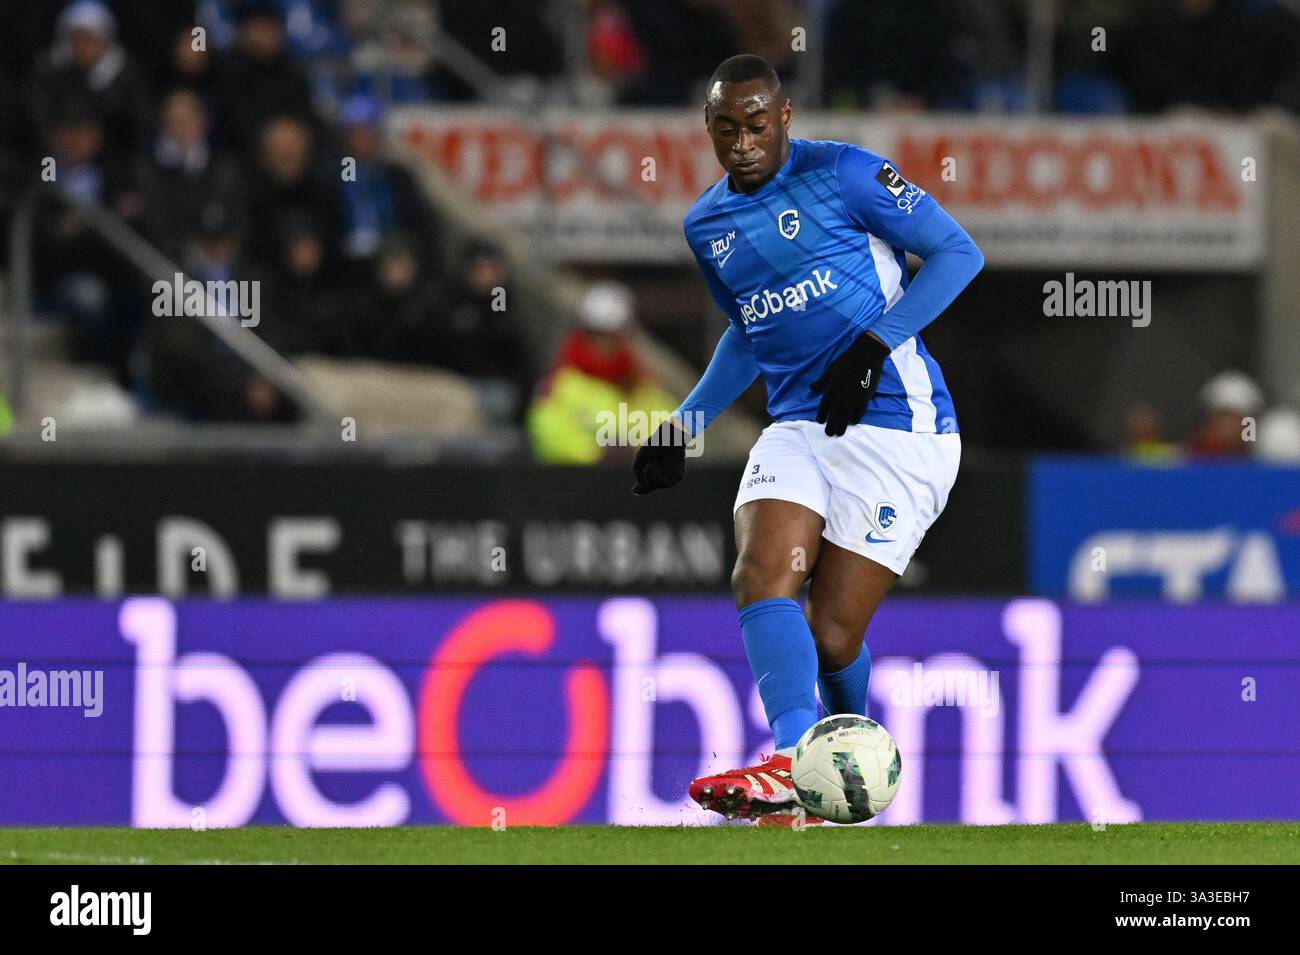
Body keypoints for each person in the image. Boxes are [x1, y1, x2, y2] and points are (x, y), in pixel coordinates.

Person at [631, 55, 983, 825]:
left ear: (785, 117)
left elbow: (960, 253)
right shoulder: (706, 224)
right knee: (761, 572)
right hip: (796, 425)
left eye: (758, 125)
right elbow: (748, 331)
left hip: (901, 425)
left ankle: (844, 766)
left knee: (830, 636)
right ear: (709, 130)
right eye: (727, 128)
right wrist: (682, 424)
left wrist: (874, 345)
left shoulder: (848, 174)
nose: (744, 142)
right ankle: (794, 761)